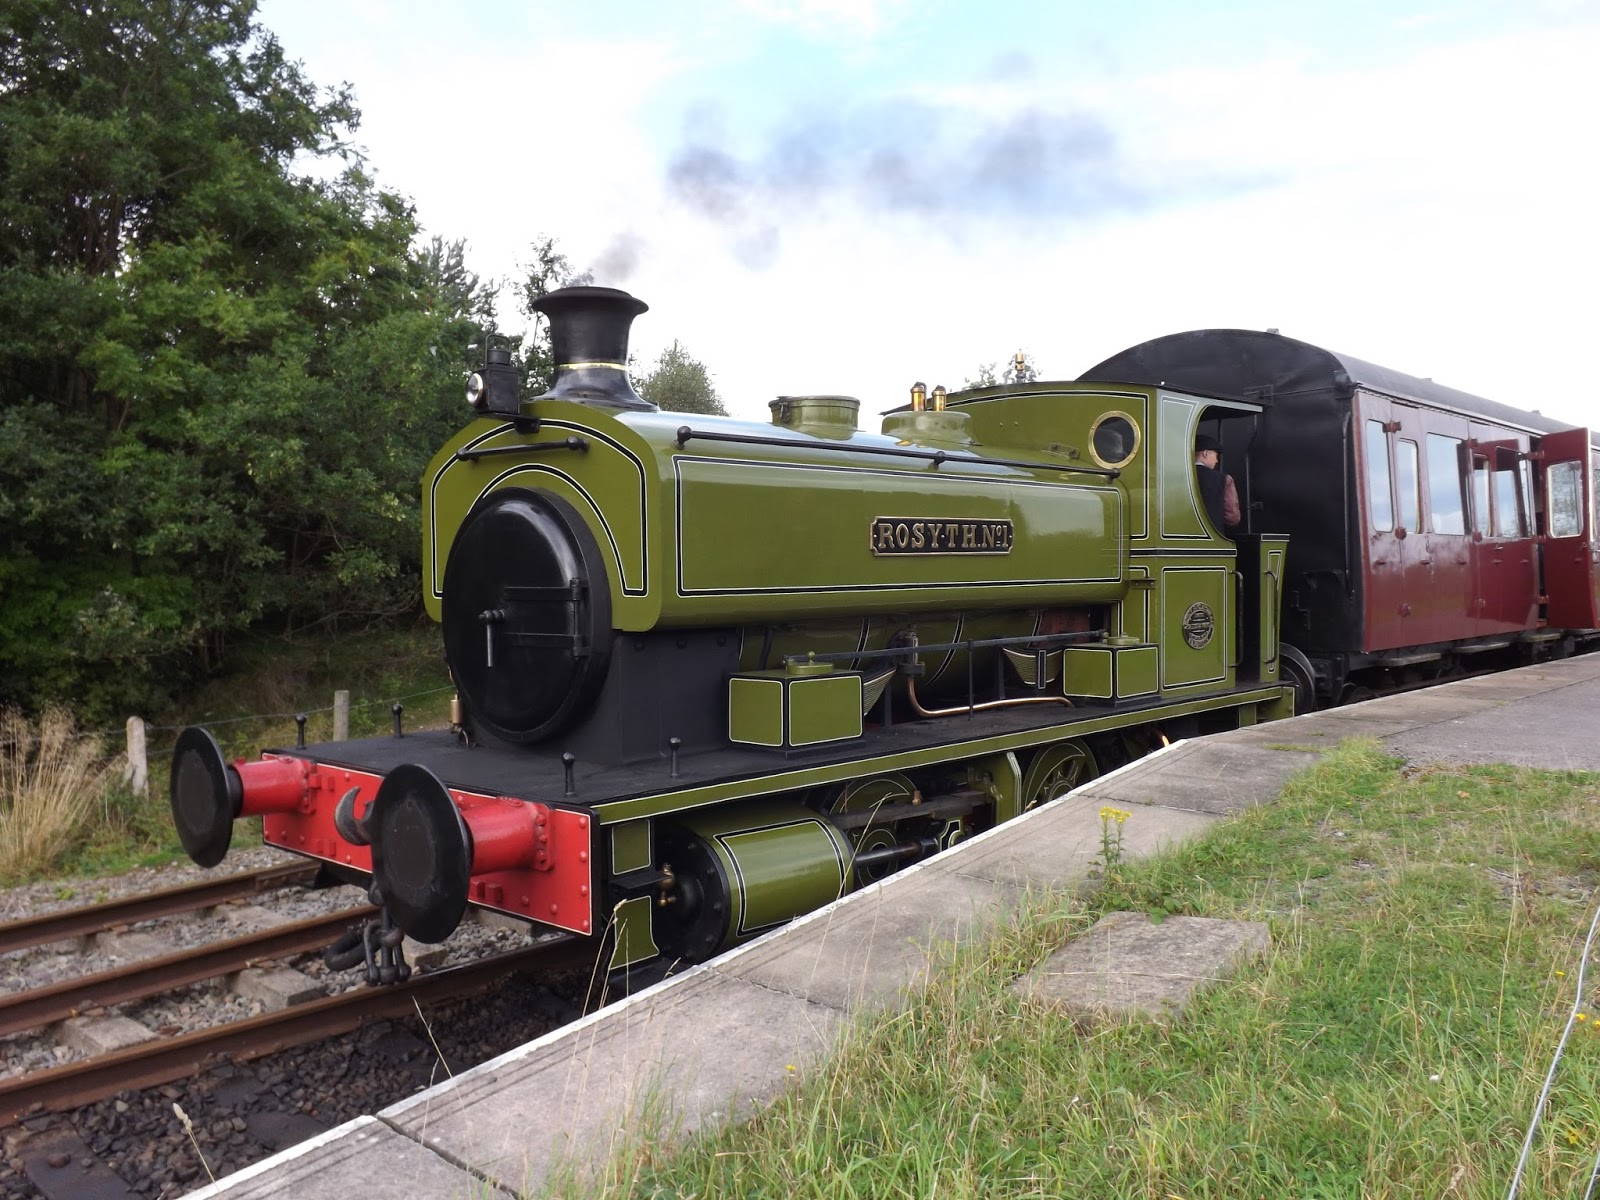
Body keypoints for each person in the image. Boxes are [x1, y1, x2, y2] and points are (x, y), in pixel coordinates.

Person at [1194, 433, 1241, 533]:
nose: (1216, 460)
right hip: (1212, 539)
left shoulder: (1175, 477)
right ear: (1205, 453)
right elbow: (1232, 518)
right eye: (1216, 455)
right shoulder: (1224, 479)